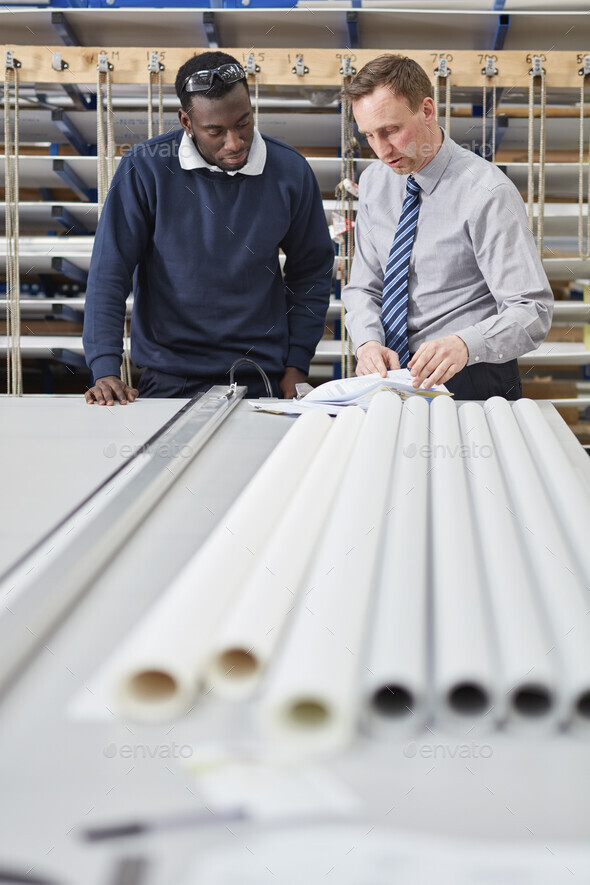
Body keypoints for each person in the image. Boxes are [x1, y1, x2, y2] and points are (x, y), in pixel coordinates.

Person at [83, 51, 334, 404]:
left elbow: (311, 270)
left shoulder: (290, 171)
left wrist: (297, 363)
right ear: (187, 122)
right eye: (215, 131)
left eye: (244, 123)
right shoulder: (144, 169)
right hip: (169, 376)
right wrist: (105, 368)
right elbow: (110, 272)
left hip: (263, 376)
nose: (234, 143)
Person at [342, 54, 553, 400]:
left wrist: (465, 345)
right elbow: (364, 288)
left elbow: (533, 311)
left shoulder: (487, 193)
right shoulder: (374, 183)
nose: (381, 150)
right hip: (390, 377)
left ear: (427, 111)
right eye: (368, 135)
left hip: (474, 376)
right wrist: (367, 343)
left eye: (391, 130)